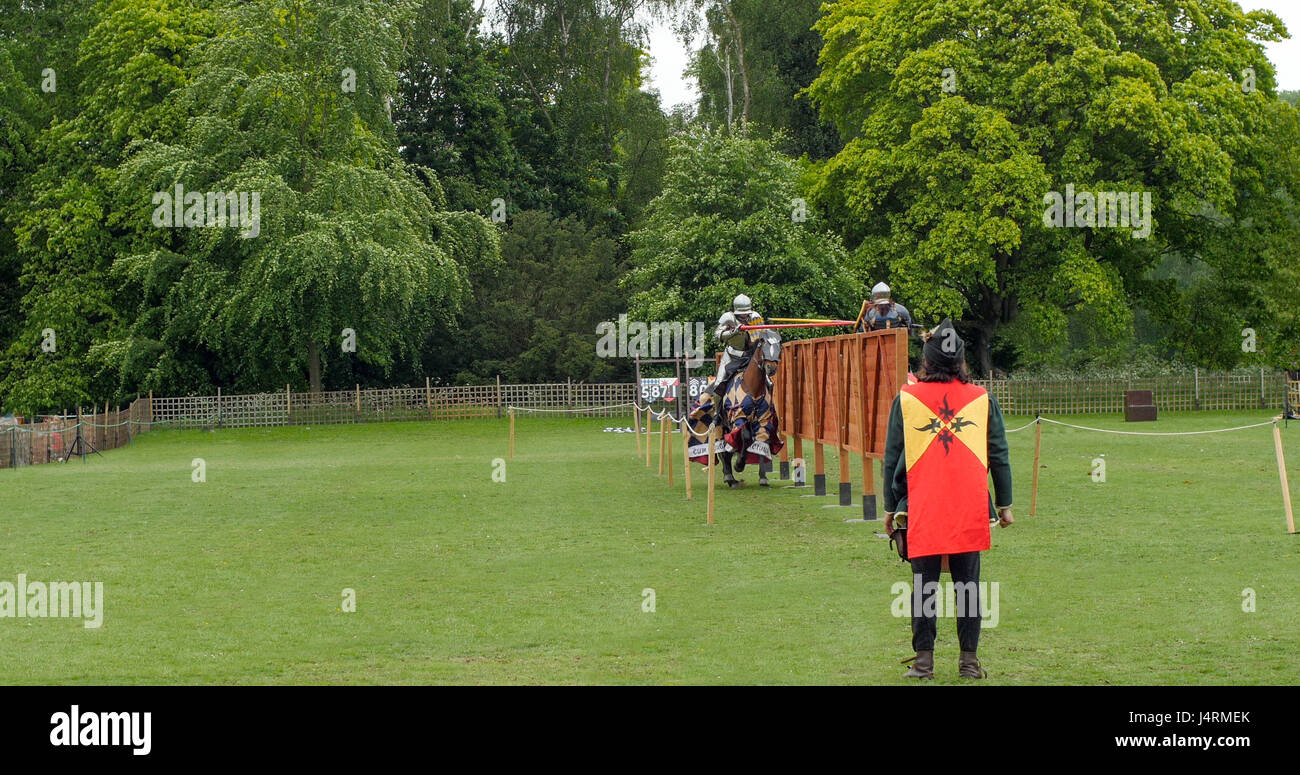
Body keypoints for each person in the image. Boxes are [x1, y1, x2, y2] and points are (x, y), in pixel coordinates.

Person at [882, 319, 1013, 680]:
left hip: (921, 506)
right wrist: (1005, 505)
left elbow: (894, 456)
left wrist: (891, 508)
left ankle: (924, 662)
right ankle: (969, 662)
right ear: (960, 363)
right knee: (968, 585)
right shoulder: (982, 400)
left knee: (924, 585)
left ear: (927, 361)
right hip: (969, 506)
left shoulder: (906, 400)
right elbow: (998, 454)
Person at [709, 294, 762, 397]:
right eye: (742, 313)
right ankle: (718, 412)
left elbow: (762, 332)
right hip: (732, 356)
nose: (744, 315)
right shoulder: (728, 318)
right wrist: (734, 332)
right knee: (718, 385)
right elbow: (717, 337)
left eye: (746, 313)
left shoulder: (755, 317)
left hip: (751, 357)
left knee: (768, 382)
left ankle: (768, 407)